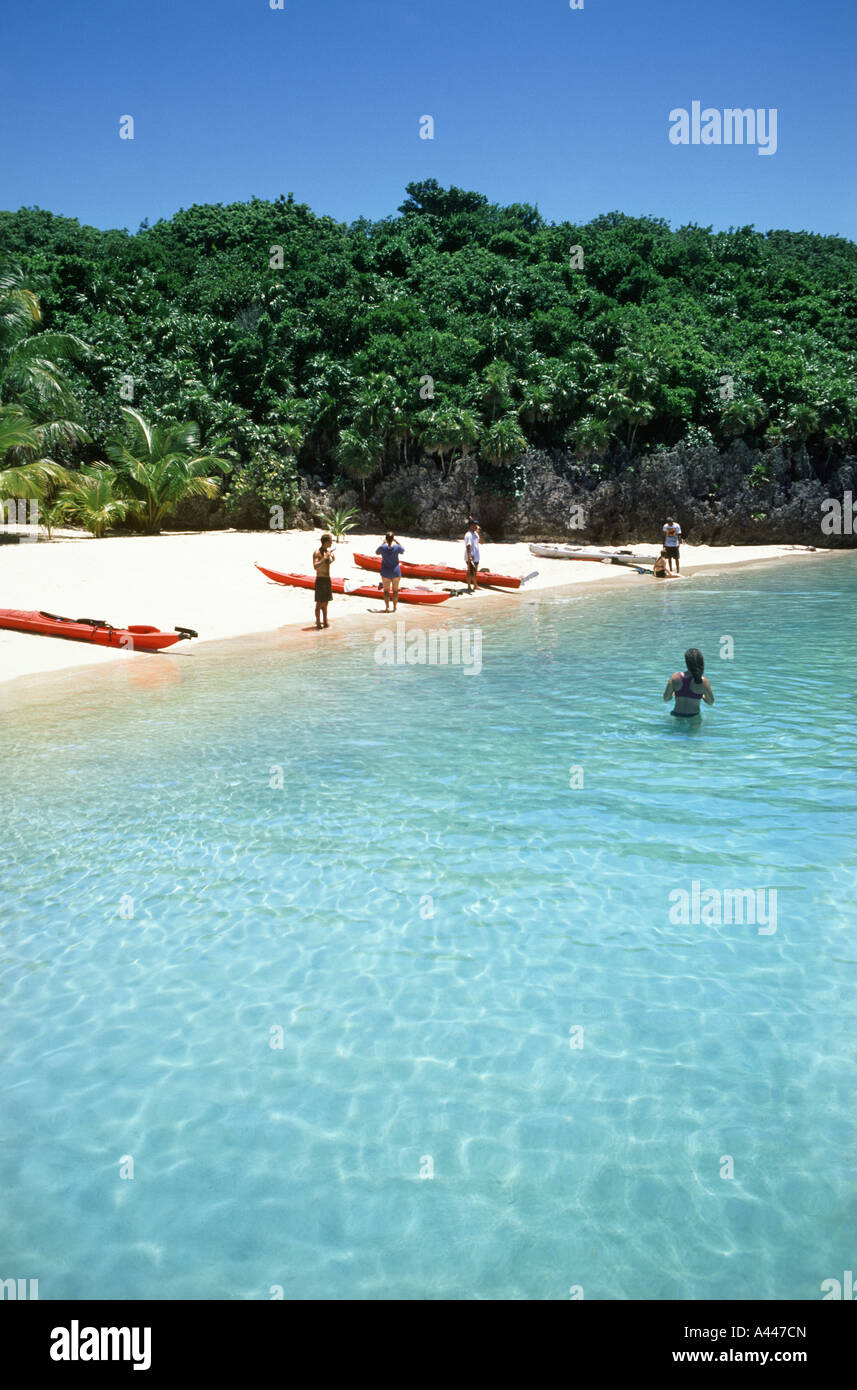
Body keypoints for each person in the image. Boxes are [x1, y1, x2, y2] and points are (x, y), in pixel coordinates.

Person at [663, 648, 714, 717]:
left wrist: (673, 693)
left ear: (686, 662)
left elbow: (666, 698)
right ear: (700, 662)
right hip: (693, 717)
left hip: (677, 715)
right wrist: (702, 695)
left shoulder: (675, 677)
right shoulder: (703, 681)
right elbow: (710, 702)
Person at [375, 530, 405, 612]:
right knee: (395, 591)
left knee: (386, 591)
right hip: (396, 572)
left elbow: (377, 552)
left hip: (385, 572)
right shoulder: (397, 547)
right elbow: (403, 550)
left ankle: (387, 607)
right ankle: (394, 607)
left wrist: (383, 543)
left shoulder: (383, 547)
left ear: (386, 538)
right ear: (393, 539)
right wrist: (396, 541)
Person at [312, 533, 335, 628]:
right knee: (319, 603)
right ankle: (318, 623)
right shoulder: (317, 552)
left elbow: (326, 564)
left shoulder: (327, 552)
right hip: (320, 579)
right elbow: (315, 566)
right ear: (326, 542)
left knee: (326, 602)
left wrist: (331, 560)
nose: (332, 543)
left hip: (327, 579)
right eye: (330, 541)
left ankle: (325, 622)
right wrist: (324, 558)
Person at [464, 520, 481, 593]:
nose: (476, 526)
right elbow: (468, 546)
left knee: (475, 571)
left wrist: (480, 533)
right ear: (470, 526)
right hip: (471, 555)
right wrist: (469, 556)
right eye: (474, 525)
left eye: (476, 525)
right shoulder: (468, 535)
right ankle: (469, 586)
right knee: (470, 572)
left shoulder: (476, 534)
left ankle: (475, 585)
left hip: (476, 555)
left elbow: (481, 542)